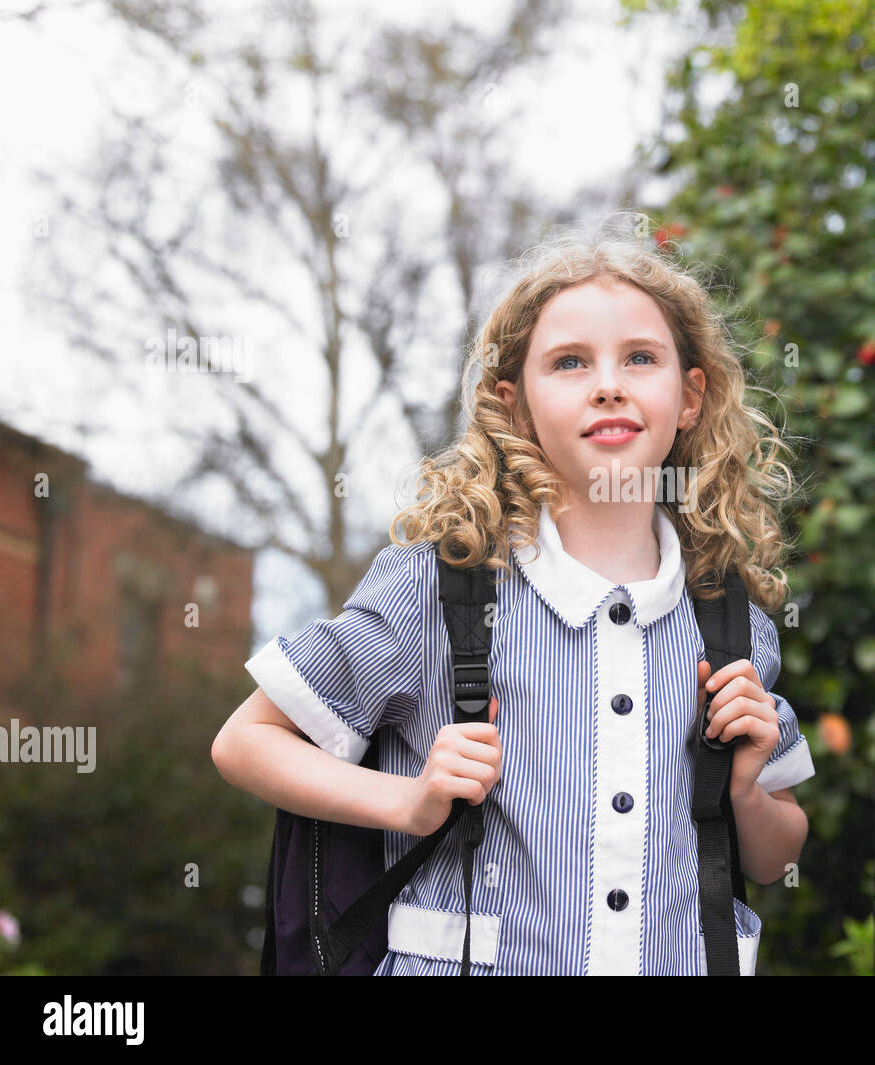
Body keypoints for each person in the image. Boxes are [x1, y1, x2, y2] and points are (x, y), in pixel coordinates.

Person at [211, 216, 815, 975]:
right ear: (516, 401)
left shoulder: (733, 623)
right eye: (568, 361)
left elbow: (774, 851)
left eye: (640, 357)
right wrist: (408, 800)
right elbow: (243, 743)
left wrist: (751, 784)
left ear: (691, 396)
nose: (608, 384)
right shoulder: (437, 588)